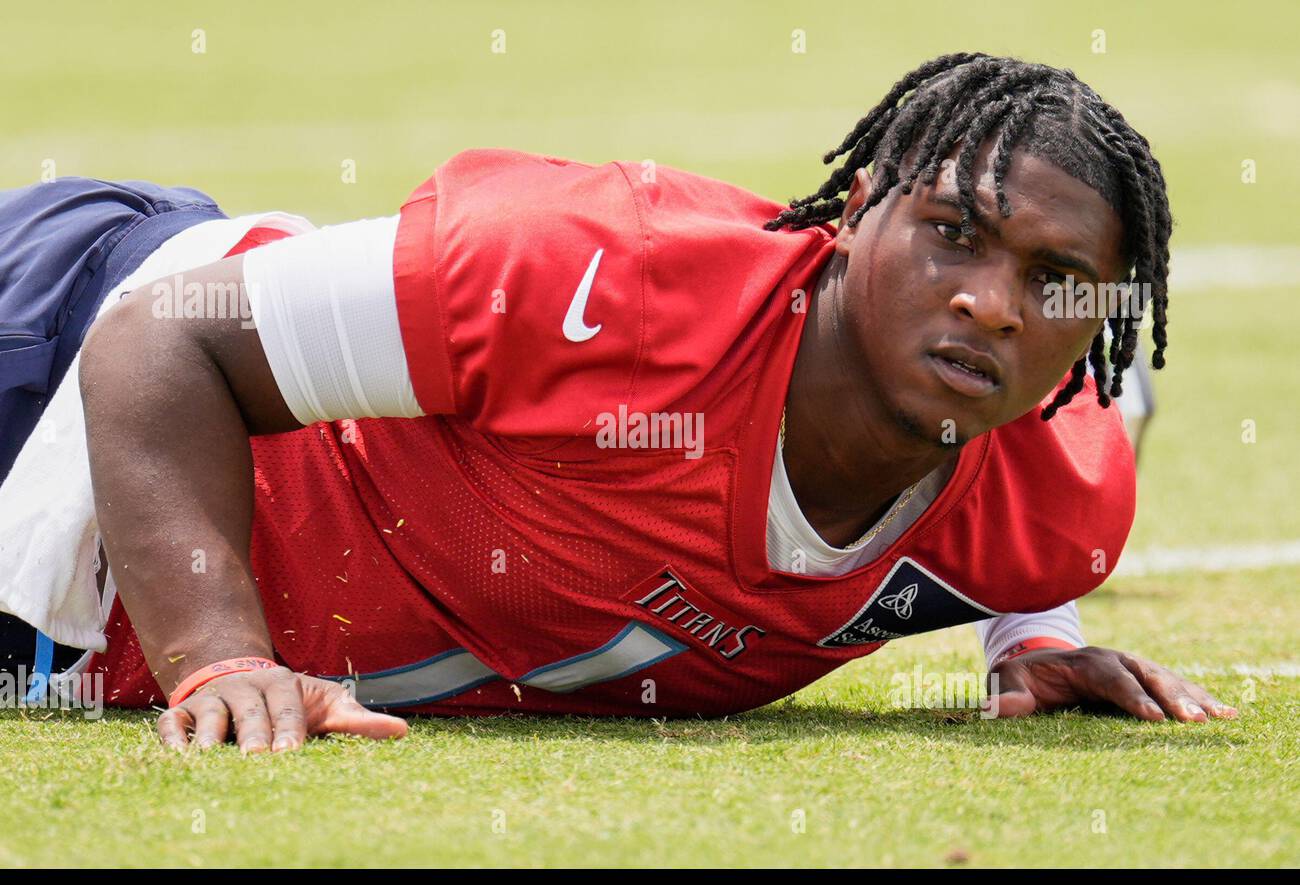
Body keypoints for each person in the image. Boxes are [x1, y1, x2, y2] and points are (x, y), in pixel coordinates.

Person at [12, 53, 1239, 752]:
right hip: (59, 354)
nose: (993, 305)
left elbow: (1054, 466)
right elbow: (165, 342)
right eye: (952, 233)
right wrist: (219, 655)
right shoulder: (608, 275)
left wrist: (1032, 640)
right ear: (859, 209)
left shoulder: (1061, 492)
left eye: (1057, 283)